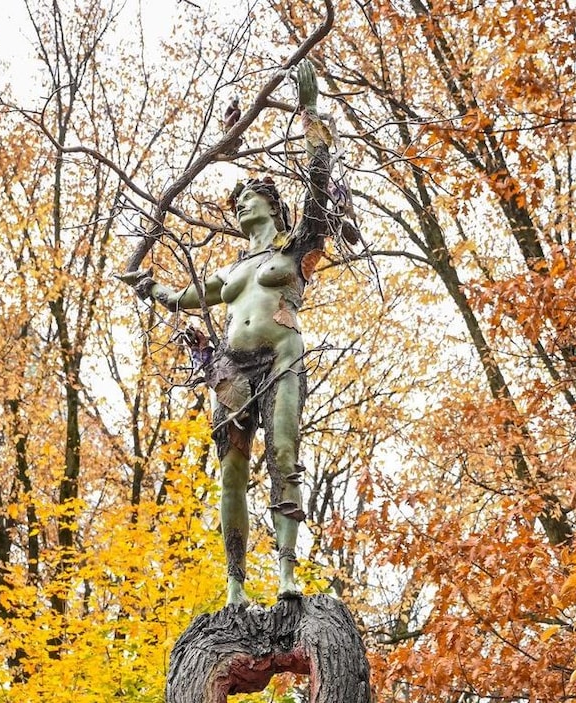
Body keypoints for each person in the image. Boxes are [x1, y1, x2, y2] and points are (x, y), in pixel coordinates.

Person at [120, 61, 345, 606]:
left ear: (272, 206)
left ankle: (288, 573)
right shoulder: (230, 273)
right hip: (232, 371)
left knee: (286, 455)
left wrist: (310, 113)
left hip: (282, 355)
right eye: (237, 198)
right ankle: (236, 585)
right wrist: (147, 286)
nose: (240, 202)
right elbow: (180, 299)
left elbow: (319, 188)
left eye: (250, 196)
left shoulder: (292, 250)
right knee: (231, 473)